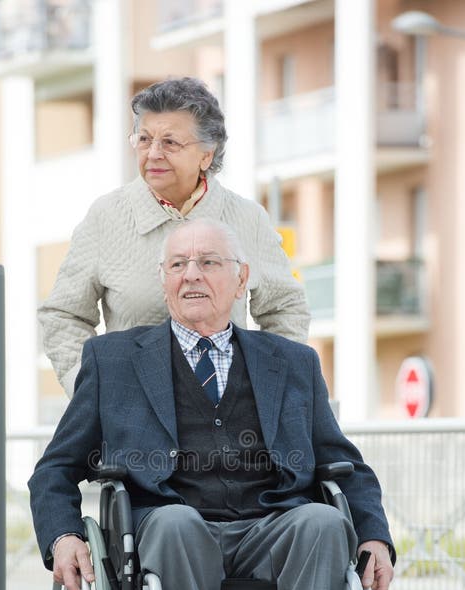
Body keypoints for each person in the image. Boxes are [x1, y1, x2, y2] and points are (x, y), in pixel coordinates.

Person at [29, 219, 394, 590]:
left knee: (322, 522)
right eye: (178, 265)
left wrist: (373, 534)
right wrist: (63, 535)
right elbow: (55, 469)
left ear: (241, 278)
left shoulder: (292, 363)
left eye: (207, 263)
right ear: (163, 279)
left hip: (269, 529)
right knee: (176, 523)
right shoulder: (114, 361)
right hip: (170, 533)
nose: (191, 275)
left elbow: (343, 462)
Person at [38, 76, 310, 399]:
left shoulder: (247, 219)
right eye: (144, 139)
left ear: (207, 155)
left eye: (170, 142)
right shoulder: (106, 216)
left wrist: (263, 390)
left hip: (226, 416)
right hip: (133, 418)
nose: (153, 154)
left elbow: (286, 308)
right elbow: (63, 314)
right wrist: (94, 393)